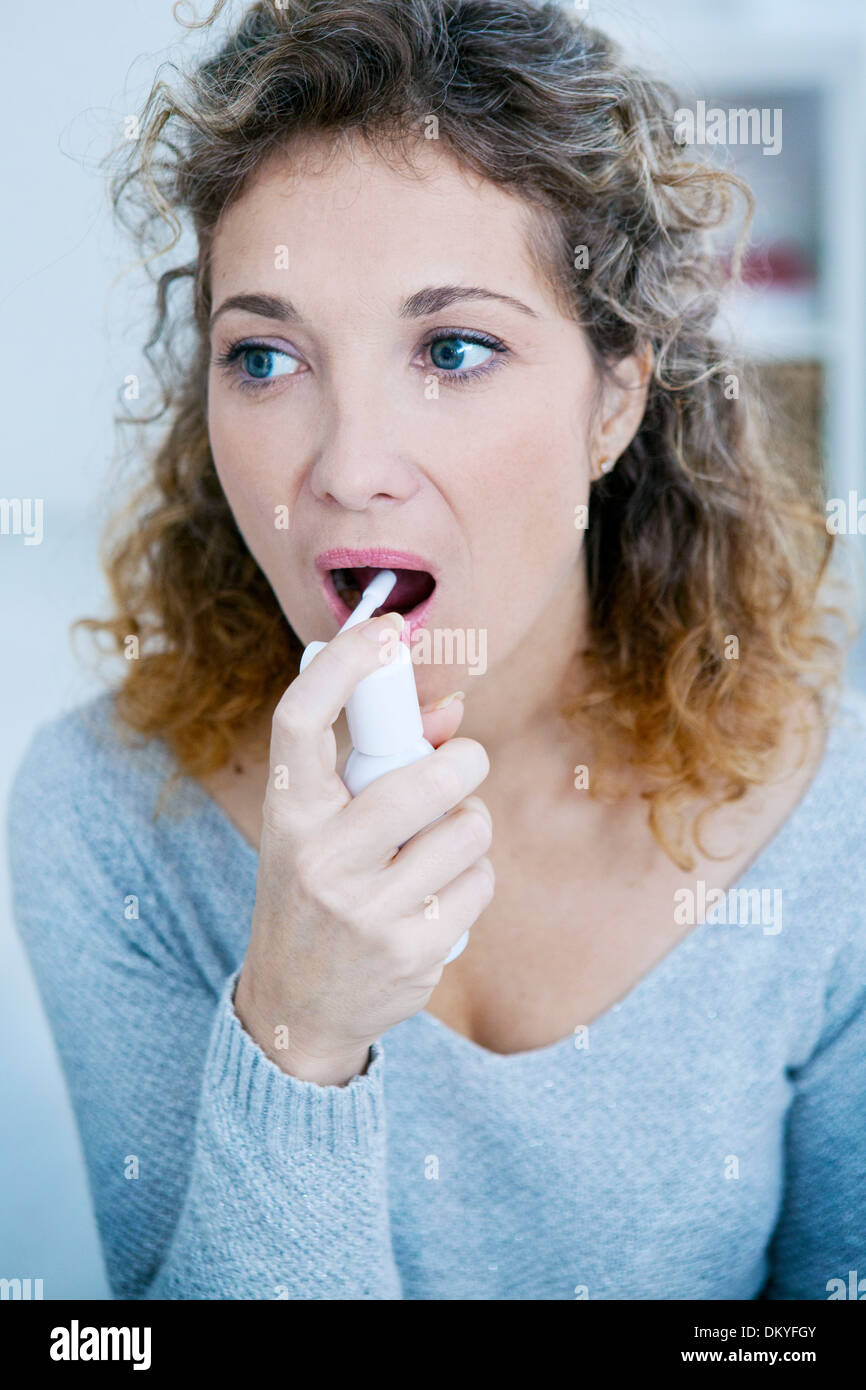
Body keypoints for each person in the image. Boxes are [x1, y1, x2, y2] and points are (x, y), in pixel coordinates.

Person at [8, 0, 865, 1301]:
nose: (346, 469)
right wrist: (292, 1032)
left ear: (612, 400)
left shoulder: (833, 815)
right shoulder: (107, 813)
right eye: (265, 355)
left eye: (453, 349)